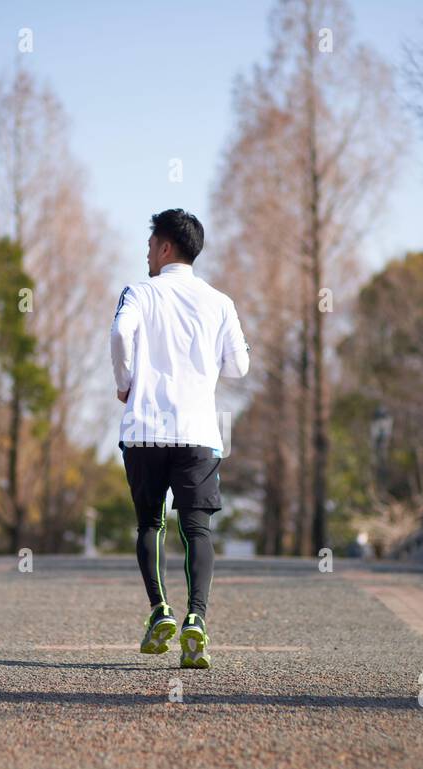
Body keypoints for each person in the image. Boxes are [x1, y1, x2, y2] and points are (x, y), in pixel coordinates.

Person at [110, 209, 249, 669]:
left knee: (151, 524)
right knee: (197, 529)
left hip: (145, 429)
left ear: (166, 247)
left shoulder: (139, 292)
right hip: (198, 433)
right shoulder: (220, 302)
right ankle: (196, 620)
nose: (146, 253)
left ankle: (159, 610)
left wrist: (125, 381)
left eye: (150, 245)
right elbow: (239, 367)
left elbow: (119, 333)